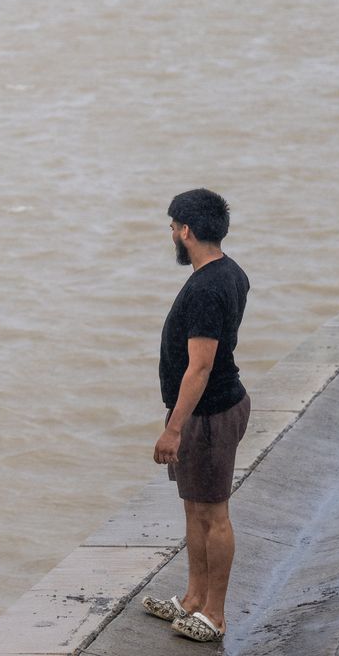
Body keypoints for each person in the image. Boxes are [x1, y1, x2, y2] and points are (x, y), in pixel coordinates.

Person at [139, 188, 250, 644]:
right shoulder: (229, 271)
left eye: (172, 226)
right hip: (210, 410)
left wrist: (174, 428)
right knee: (195, 507)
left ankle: (215, 615)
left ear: (186, 230)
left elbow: (200, 366)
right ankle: (192, 600)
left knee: (213, 513)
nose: (170, 234)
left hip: (208, 415)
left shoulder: (207, 287)